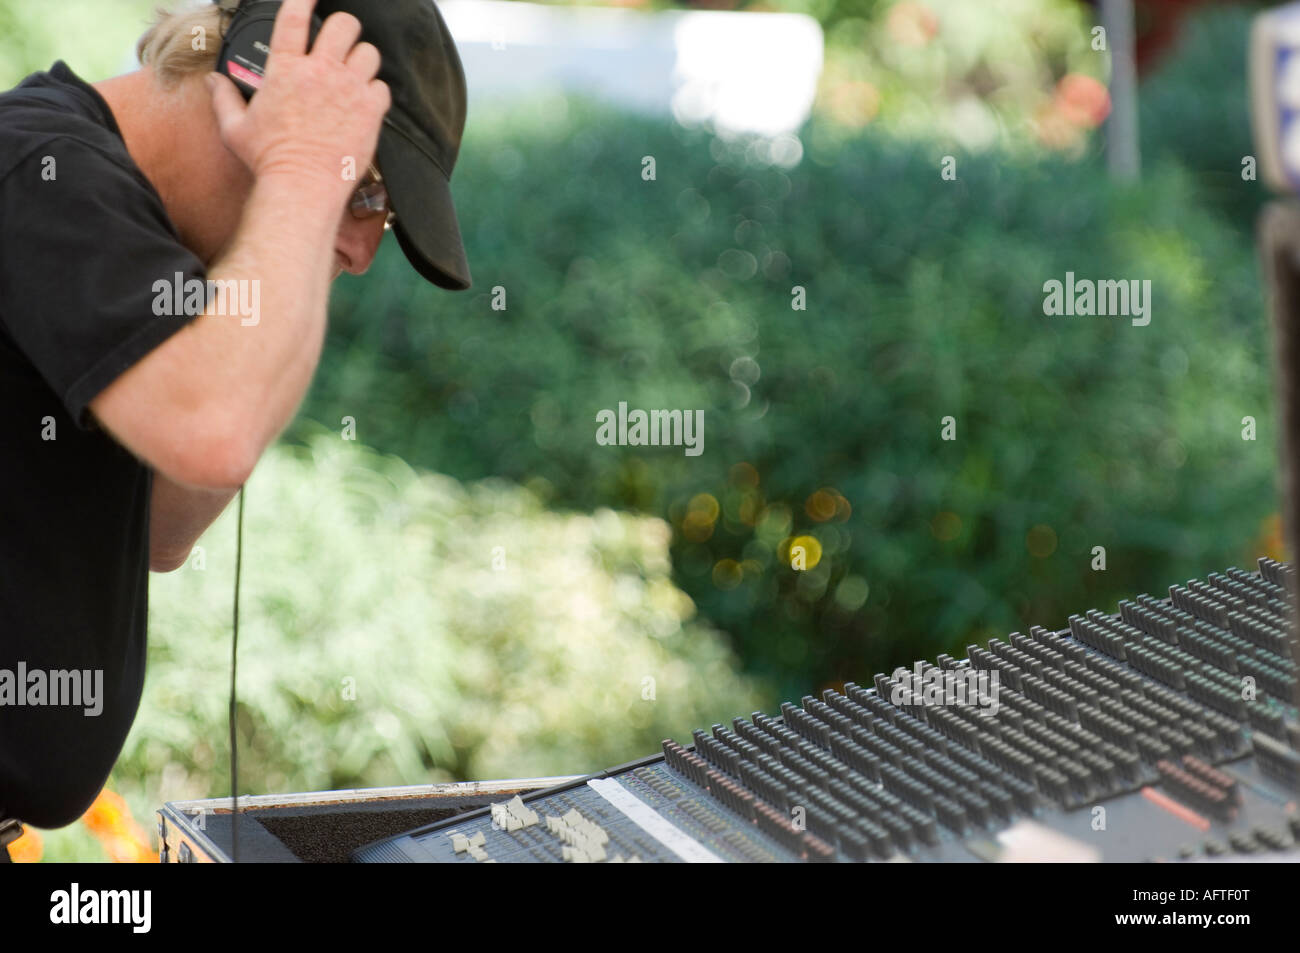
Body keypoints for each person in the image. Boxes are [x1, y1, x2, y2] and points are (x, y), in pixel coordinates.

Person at [0, 0, 470, 859]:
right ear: (245, 94)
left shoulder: (134, 229)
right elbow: (212, 433)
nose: (363, 251)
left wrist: (285, 235)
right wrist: (300, 176)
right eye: (365, 188)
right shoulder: (42, 169)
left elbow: (166, 527)